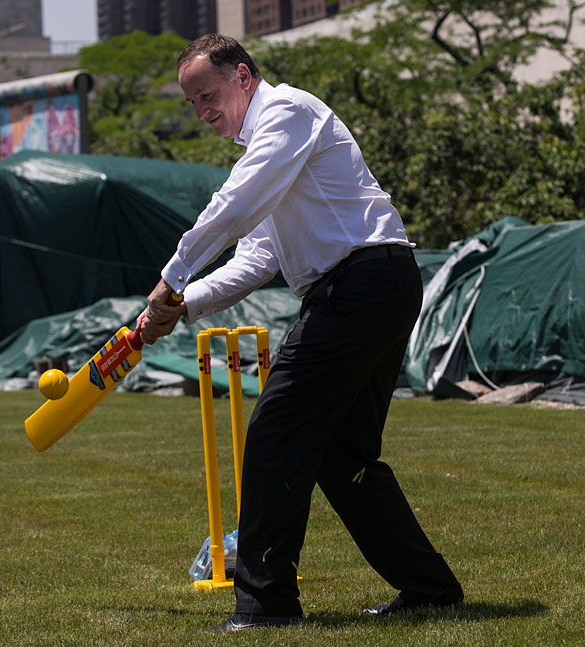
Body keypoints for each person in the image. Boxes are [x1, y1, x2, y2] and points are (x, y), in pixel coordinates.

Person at [138, 35, 463, 632]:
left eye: (208, 94)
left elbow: (235, 206)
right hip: (375, 286)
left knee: (274, 431)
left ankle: (267, 606)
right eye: (192, 103)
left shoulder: (288, 112)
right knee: (343, 457)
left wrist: (173, 276)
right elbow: (256, 258)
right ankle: (431, 590)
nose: (203, 110)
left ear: (243, 76)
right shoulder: (269, 148)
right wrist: (181, 305)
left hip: (363, 285)